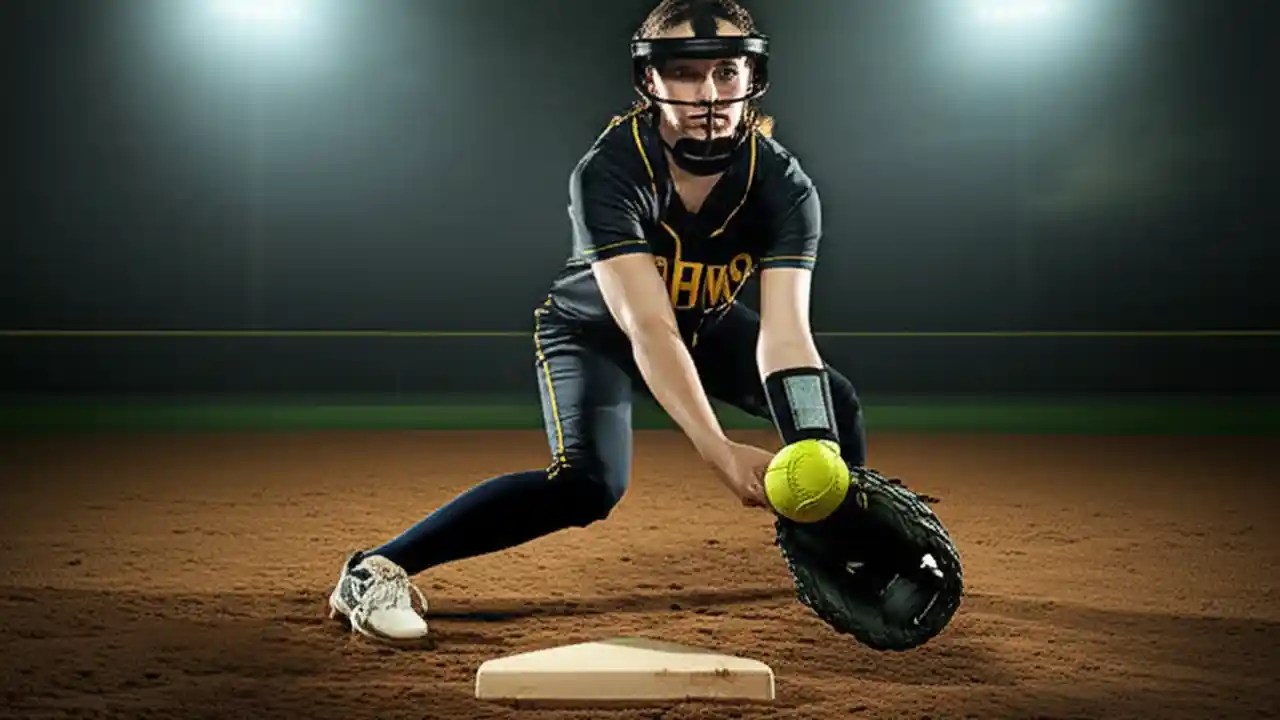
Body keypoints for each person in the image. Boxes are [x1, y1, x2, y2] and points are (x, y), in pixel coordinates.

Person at [328, 0, 867, 644]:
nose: (710, 93)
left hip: (701, 327)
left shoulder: (782, 184)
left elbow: (786, 337)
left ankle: (844, 552)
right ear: (649, 80)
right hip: (595, 332)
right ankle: (374, 570)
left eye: (727, 71)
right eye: (686, 73)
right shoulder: (610, 171)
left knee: (828, 404)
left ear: (753, 77)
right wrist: (717, 449)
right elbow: (648, 327)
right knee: (588, 486)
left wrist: (816, 456)